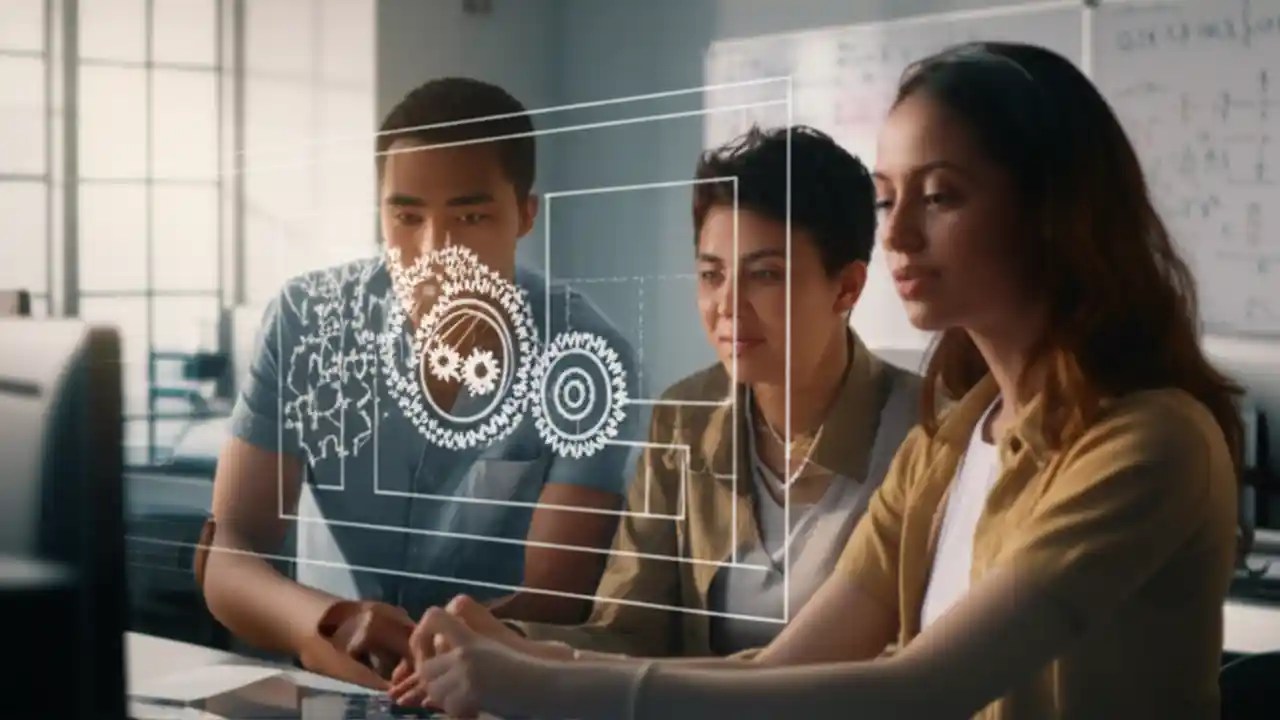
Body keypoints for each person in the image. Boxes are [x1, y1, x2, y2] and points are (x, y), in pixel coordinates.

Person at [391, 42, 1245, 719]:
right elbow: (780, 665)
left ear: (1052, 211)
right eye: (888, 198)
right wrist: (525, 652)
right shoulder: (953, 440)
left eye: (942, 196)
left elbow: (919, 690)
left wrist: (542, 684)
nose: (898, 235)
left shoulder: (1149, 443)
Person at [198, 77, 640, 690]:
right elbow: (229, 554)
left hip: (494, 695)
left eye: (471, 216)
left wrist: (437, 658)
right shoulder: (305, 323)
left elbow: (557, 596)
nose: (434, 250)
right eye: (406, 217)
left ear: (525, 215)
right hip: (330, 689)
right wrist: (328, 623)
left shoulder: (587, 356)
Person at [483, 125, 920, 661]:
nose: (728, 305)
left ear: (847, 287)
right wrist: (502, 641)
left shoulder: (927, 432)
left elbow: (910, 664)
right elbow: (627, 629)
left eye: (766, 274)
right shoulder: (683, 421)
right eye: (712, 275)